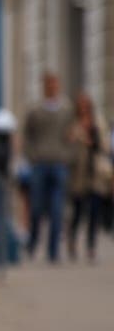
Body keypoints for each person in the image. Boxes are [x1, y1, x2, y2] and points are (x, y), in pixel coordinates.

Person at [22, 72, 74, 262]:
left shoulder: (66, 109)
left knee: (57, 209)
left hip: (59, 163)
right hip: (40, 163)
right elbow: (27, 135)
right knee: (36, 207)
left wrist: (68, 156)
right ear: (44, 87)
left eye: (54, 84)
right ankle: (33, 241)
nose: (52, 88)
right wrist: (31, 156)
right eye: (49, 84)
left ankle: (53, 252)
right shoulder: (35, 110)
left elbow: (71, 134)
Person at [66, 92, 113, 262]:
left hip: (95, 173)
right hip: (79, 173)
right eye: (81, 106)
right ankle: (72, 240)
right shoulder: (73, 124)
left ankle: (91, 246)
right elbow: (67, 145)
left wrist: (91, 141)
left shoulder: (97, 122)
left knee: (94, 211)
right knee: (78, 210)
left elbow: (105, 146)